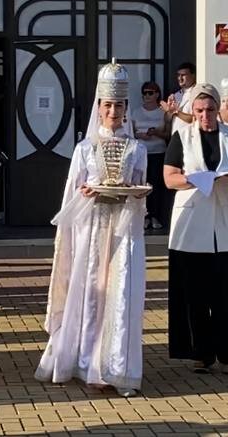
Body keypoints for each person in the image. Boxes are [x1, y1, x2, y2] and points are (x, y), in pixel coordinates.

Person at [35, 60, 148, 397]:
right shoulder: (84, 150)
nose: (113, 111)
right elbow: (72, 197)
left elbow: (141, 191)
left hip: (124, 229)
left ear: (127, 109)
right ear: (99, 108)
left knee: (122, 293)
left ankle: (119, 367)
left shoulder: (138, 149)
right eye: (108, 105)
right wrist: (88, 194)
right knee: (91, 294)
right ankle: (87, 362)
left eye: (119, 106)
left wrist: (137, 195)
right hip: (92, 228)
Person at [164, 83, 228, 377]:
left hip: (225, 223)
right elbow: (169, 178)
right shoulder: (181, 137)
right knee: (196, 293)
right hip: (192, 223)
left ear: (219, 109)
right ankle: (201, 353)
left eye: (210, 110)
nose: (205, 116)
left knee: (227, 294)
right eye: (199, 111)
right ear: (192, 111)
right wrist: (195, 180)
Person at [132, 80, 169, 229]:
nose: (147, 96)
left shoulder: (162, 113)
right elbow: (131, 133)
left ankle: (156, 216)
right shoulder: (136, 112)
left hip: (158, 152)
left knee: (156, 186)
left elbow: (168, 134)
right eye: (144, 93)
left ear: (157, 94)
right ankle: (144, 216)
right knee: (142, 185)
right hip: (141, 153)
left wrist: (156, 132)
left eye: (150, 93)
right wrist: (140, 135)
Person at [161, 62, 196, 132]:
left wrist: (175, 111)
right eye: (178, 75)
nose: (180, 78)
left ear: (193, 75)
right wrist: (168, 111)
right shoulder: (176, 95)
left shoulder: (196, 93)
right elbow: (168, 121)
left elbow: (194, 119)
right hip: (176, 136)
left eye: (183, 75)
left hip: (189, 137)